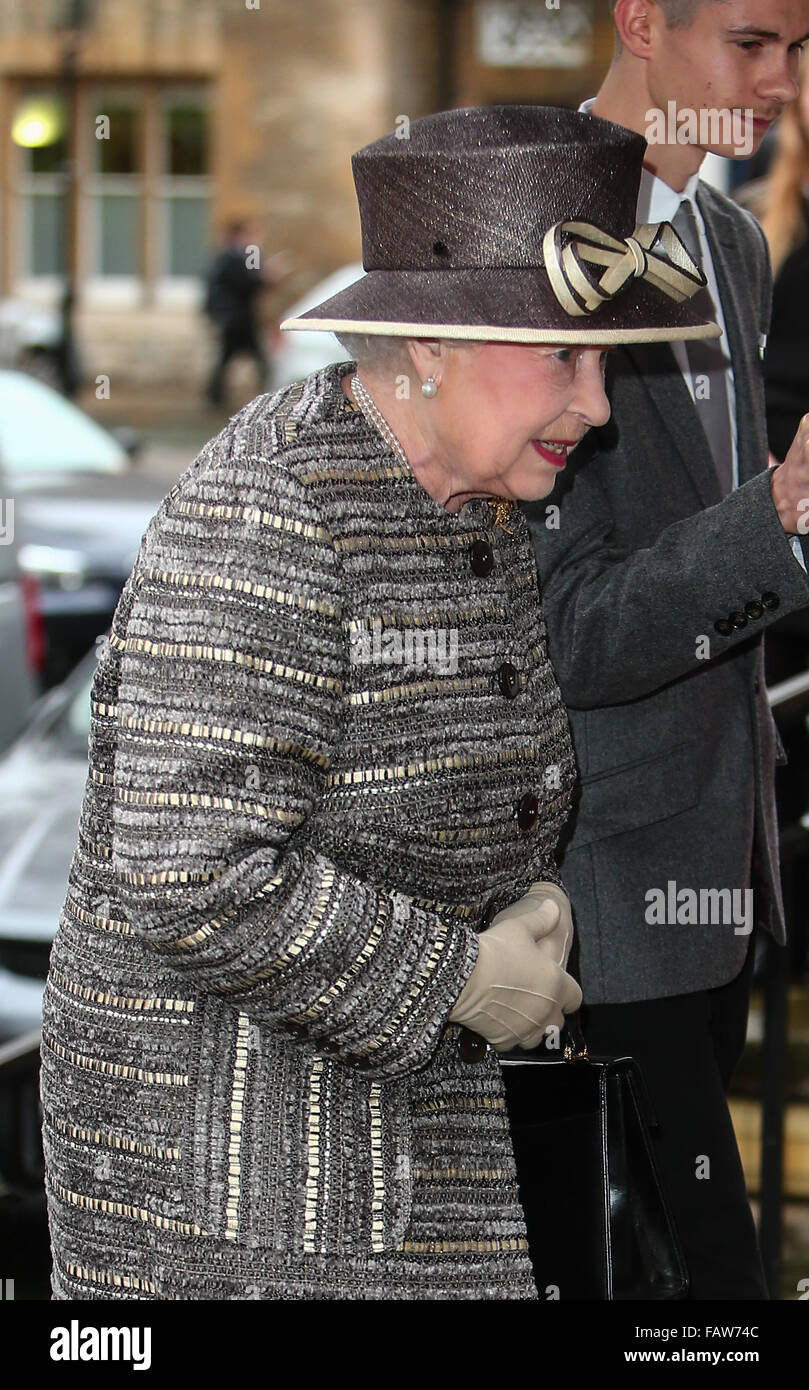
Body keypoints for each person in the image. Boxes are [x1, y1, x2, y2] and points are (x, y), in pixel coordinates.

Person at [40, 104, 717, 1301]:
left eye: (601, 360)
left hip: (406, 1169)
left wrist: (527, 897)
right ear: (430, 347)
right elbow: (194, 874)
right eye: (563, 359)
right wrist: (453, 977)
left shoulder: (473, 499)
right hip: (244, 1211)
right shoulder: (272, 510)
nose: (597, 406)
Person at [524, 0, 809, 1300]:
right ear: (640, 19)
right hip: (600, 881)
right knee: (713, 1280)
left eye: (798, 49)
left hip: (725, 859)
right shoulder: (524, 234)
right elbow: (564, 626)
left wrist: (782, 530)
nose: (779, 81)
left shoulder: (731, 238)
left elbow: (717, 549)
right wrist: (776, 521)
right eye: (752, 43)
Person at [202, 217, 284, 408]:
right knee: (245, 357)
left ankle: (216, 396)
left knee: (231, 357)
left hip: (239, 316)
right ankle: (265, 393)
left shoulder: (242, 253)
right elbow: (254, 279)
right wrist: (269, 275)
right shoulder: (241, 253)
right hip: (236, 318)